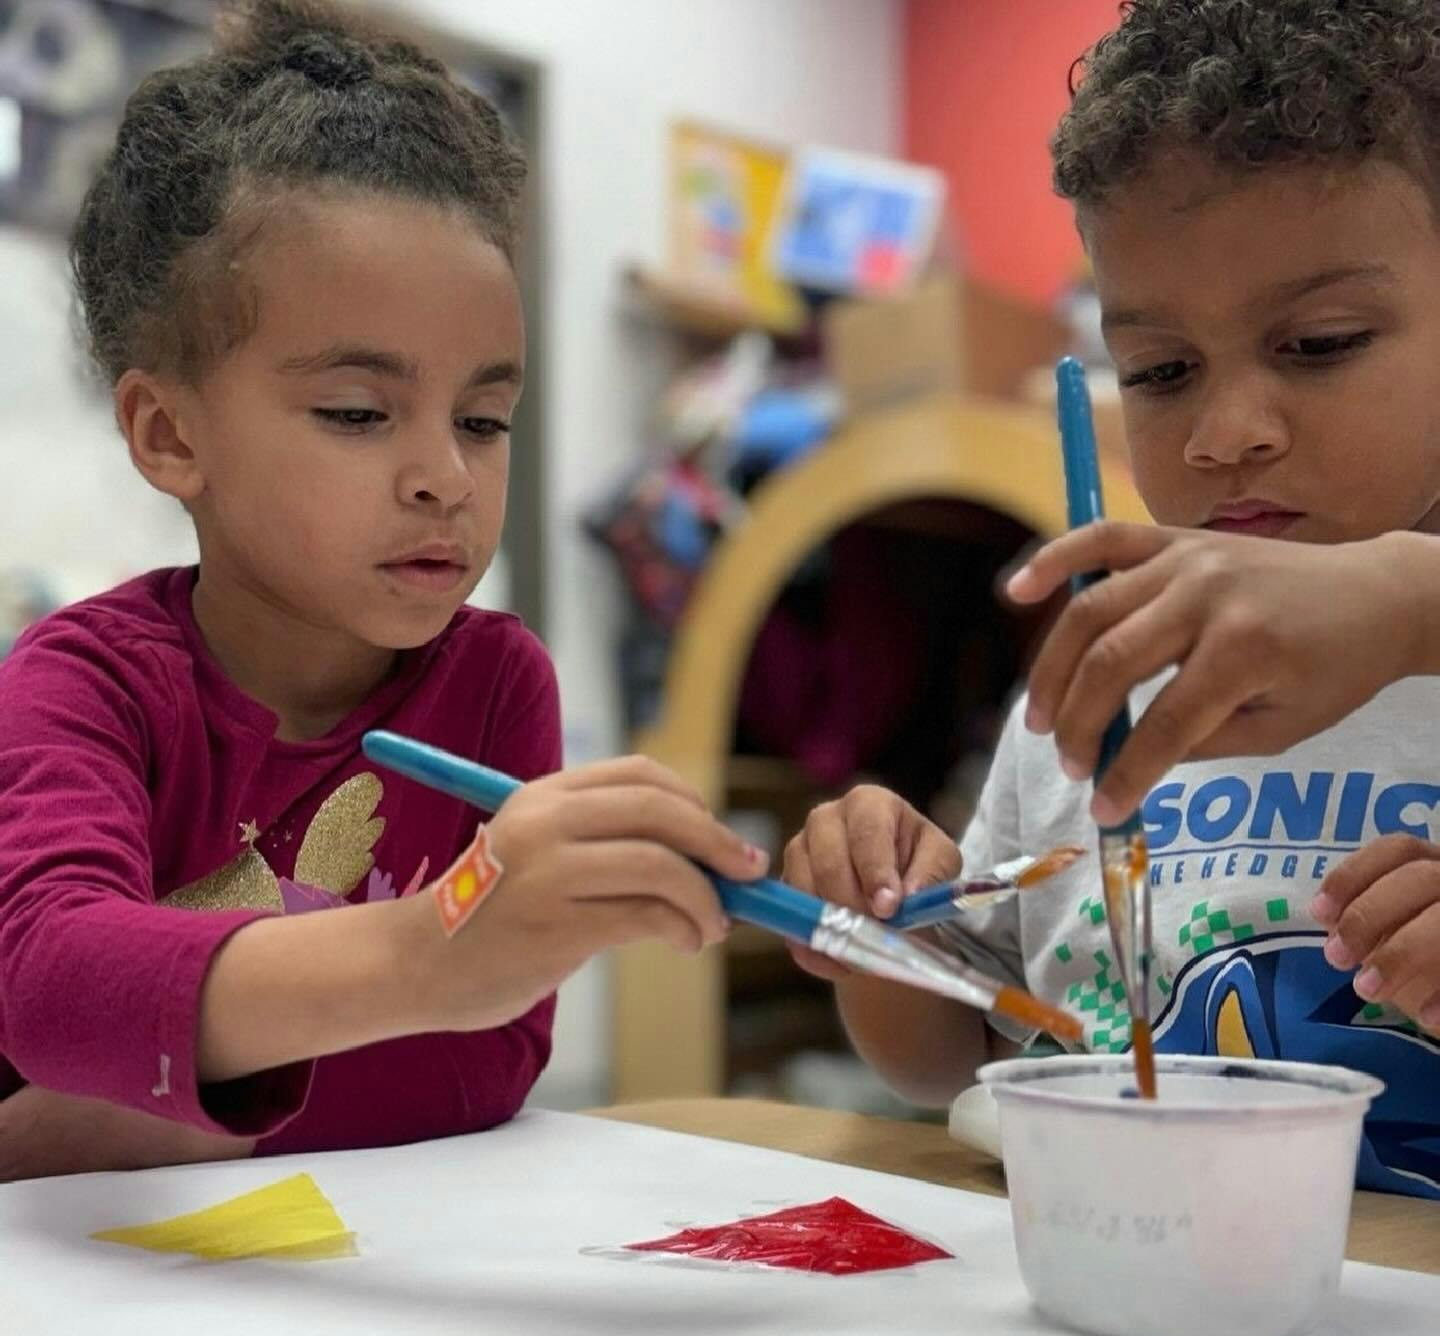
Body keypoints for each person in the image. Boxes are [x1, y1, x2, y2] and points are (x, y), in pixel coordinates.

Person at [0, 0, 765, 1179]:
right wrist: (437, 950)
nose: (445, 479)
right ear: (168, 433)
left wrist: (148, 1100)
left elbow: (487, 1068)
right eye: (358, 414)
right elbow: (51, 982)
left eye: (485, 419)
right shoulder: (80, 683)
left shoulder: (496, 681)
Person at [785, 0, 1440, 1198]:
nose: (1226, 435)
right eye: (1162, 371)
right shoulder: (1108, 676)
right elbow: (958, 1059)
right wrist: (884, 936)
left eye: (1321, 342)